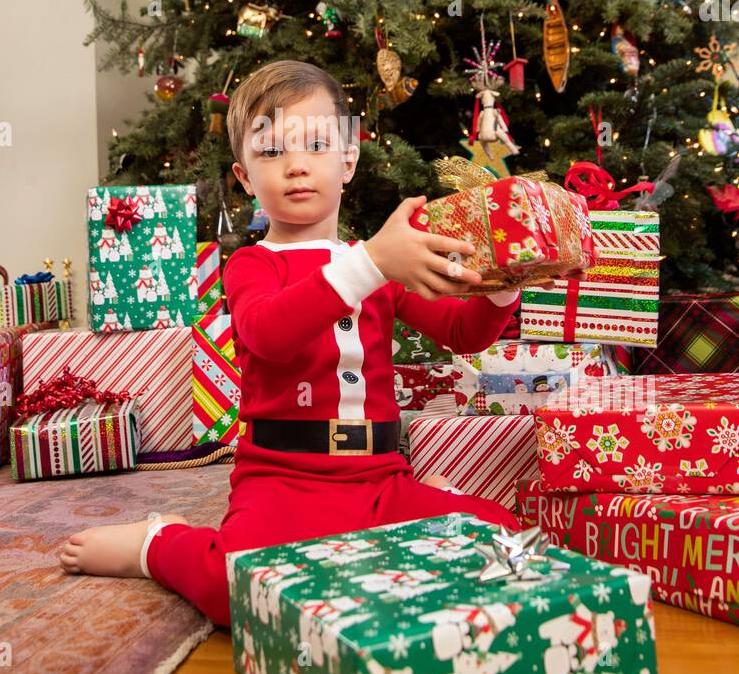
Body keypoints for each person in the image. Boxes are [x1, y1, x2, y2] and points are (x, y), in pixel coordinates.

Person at [59, 60, 523, 627]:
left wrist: (505, 287)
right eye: (272, 152)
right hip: (282, 478)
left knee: (504, 543)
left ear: (347, 160)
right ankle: (155, 545)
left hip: (377, 478)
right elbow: (268, 335)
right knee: (240, 594)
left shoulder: (379, 263)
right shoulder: (255, 265)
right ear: (246, 177)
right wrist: (372, 263)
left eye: (316, 145)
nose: (297, 166)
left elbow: (462, 333)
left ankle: (425, 509)